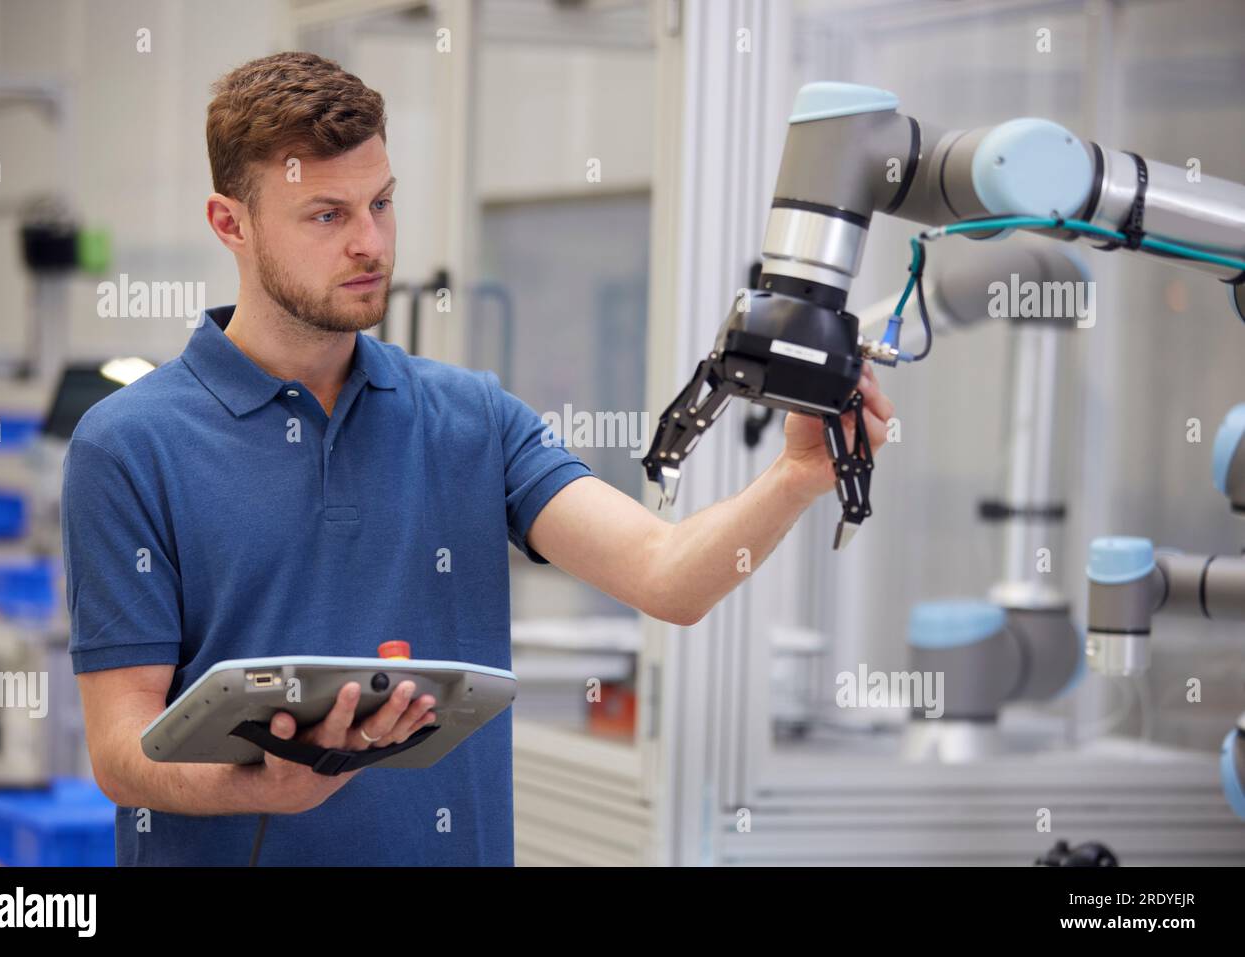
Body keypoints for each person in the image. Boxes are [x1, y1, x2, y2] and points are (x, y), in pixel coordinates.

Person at [63, 51, 894, 866]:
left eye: (382, 204)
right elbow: (121, 749)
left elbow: (666, 575)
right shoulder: (129, 443)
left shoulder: (470, 415)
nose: (371, 244)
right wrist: (264, 786)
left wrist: (797, 477)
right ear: (229, 223)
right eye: (328, 215)